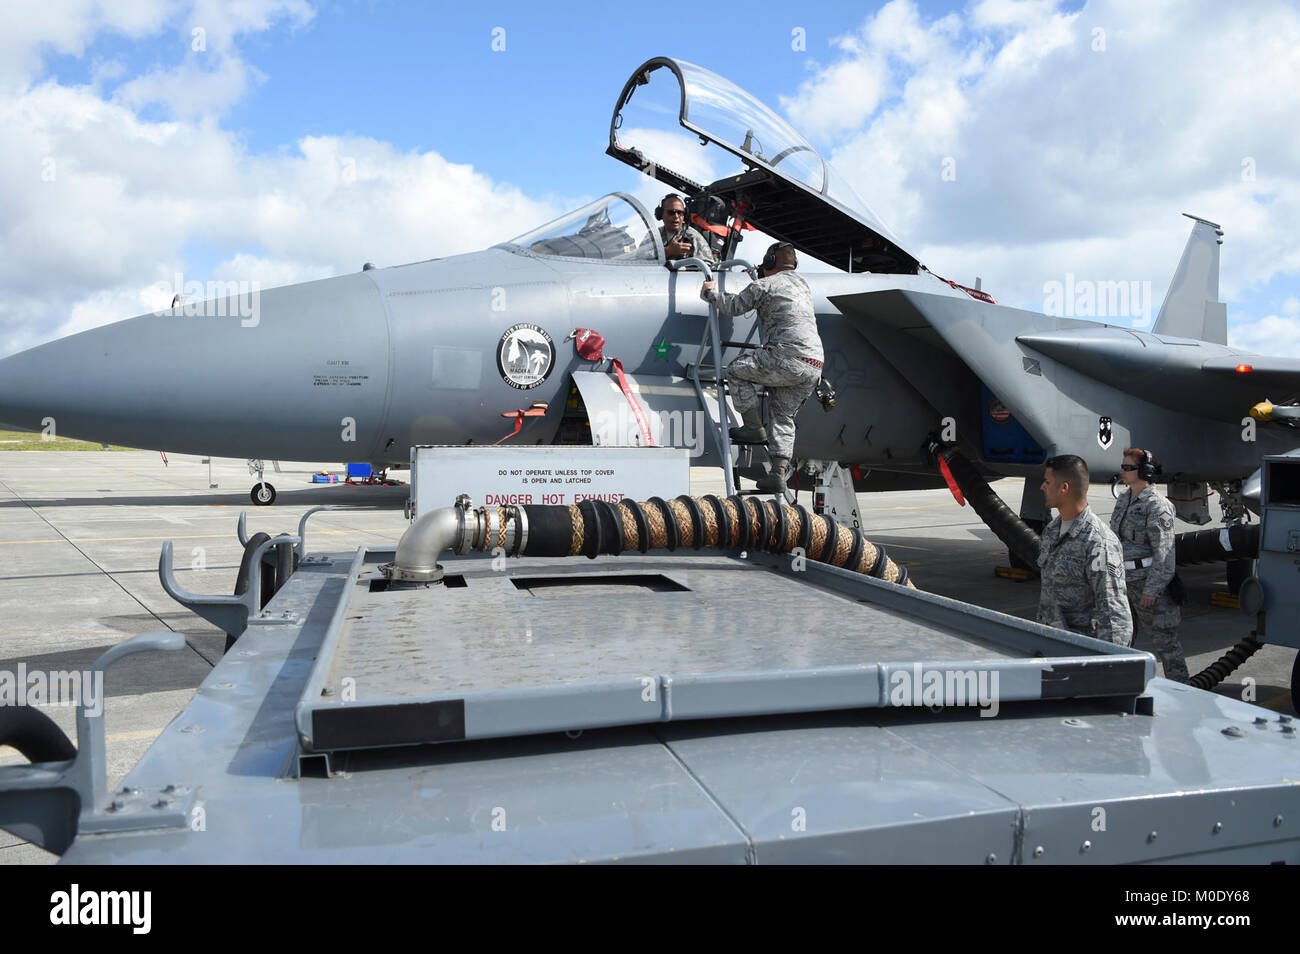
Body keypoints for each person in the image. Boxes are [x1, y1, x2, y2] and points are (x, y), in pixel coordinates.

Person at [700, 242, 822, 493]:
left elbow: (733, 307)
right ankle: (777, 474)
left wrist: (711, 293)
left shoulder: (764, 285)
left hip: (786, 357)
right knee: (783, 416)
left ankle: (753, 427)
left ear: (769, 262)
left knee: (735, 369)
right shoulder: (802, 286)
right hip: (813, 364)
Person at [1110, 448, 1190, 682]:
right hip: (1123, 582)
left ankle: (1183, 691)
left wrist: (1152, 590)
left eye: (1128, 468)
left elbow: (1165, 554)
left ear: (1145, 471)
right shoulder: (1124, 499)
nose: (1122, 471)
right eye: (1122, 467)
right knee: (1117, 636)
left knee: (1166, 644)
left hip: (1146, 584)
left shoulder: (1157, 506)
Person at [1036, 454, 1133, 646]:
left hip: (1080, 650)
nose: (1042, 487)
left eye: (1047, 482)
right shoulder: (1051, 531)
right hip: (1050, 643)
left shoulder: (1099, 541)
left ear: (1064, 488)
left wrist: (1109, 666)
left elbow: (1115, 616)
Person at [644, 194, 712, 262]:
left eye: (680, 212)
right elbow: (638, 259)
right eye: (671, 212)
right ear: (661, 214)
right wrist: (667, 251)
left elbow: (708, 265)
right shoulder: (653, 236)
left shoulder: (693, 237)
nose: (676, 216)